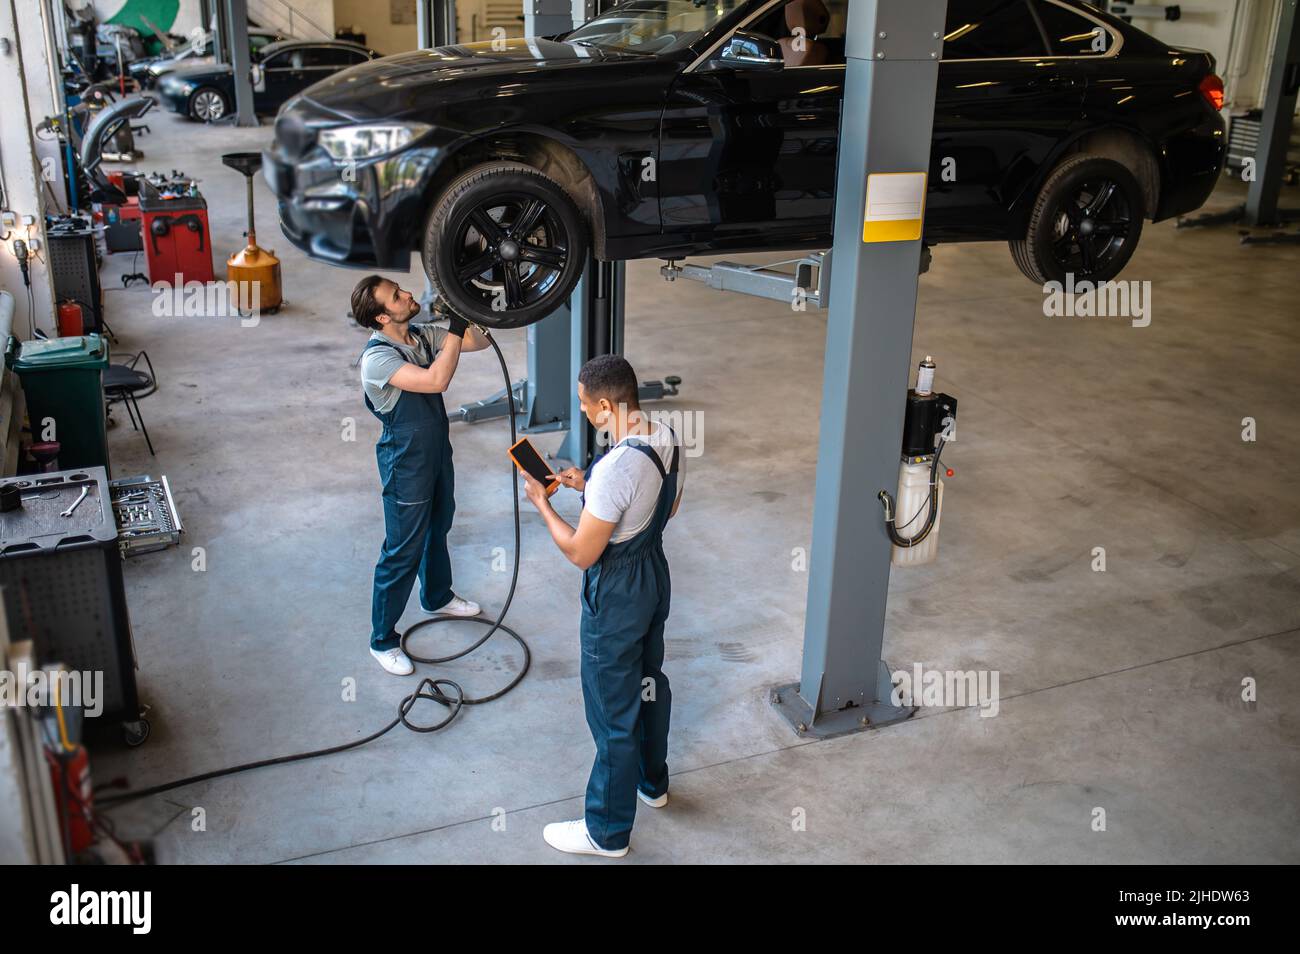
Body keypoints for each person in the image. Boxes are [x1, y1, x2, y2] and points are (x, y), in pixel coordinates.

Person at [521, 354, 685, 857]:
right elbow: (666, 506)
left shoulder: (616, 467)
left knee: (612, 711)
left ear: (607, 405)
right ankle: (651, 783)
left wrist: (544, 504)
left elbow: (581, 552)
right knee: (647, 681)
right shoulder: (665, 435)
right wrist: (587, 484)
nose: (585, 412)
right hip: (654, 576)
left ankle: (605, 832)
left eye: (586, 405)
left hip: (616, 593)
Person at [351, 275, 491, 676]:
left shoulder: (421, 335)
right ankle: (382, 640)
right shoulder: (378, 358)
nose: (409, 295)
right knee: (402, 548)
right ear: (381, 317)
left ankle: (436, 595)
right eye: (397, 296)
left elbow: (478, 343)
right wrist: (457, 327)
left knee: (438, 526)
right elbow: (436, 381)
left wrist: (468, 307)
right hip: (405, 462)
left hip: (435, 452)